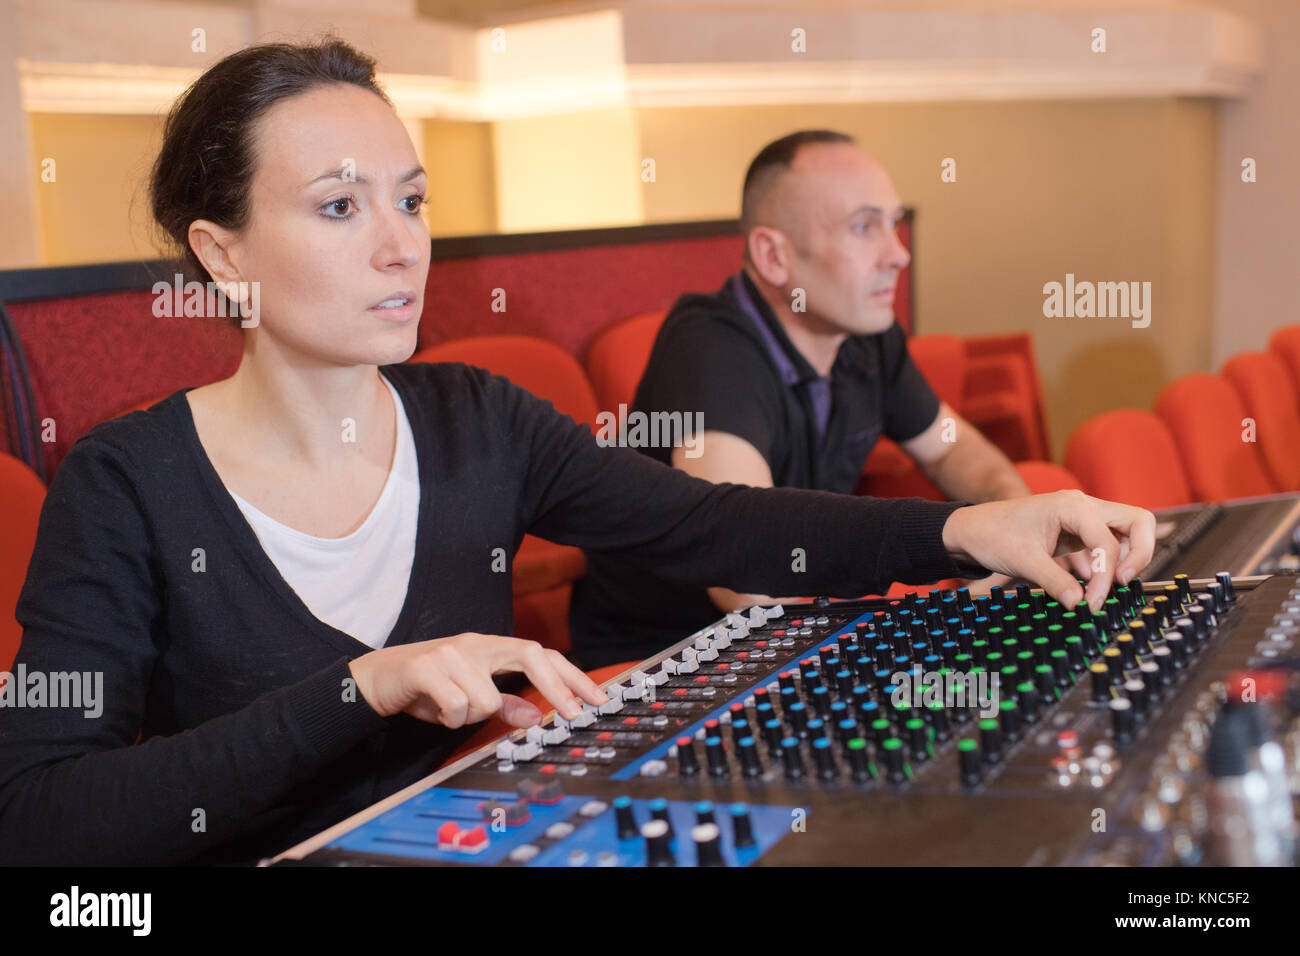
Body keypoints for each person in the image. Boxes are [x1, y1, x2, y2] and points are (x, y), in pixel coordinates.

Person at [0, 39, 1154, 866]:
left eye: (410, 199)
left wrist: (961, 527)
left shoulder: (478, 418)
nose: (403, 246)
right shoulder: (124, 482)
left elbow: (714, 525)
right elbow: (41, 816)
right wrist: (359, 686)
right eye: (342, 209)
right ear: (223, 250)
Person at [570, 130, 1036, 668]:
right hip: (671, 661)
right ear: (772, 256)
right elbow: (746, 581)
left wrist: (1009, 533)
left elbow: (952, 449)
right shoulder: (708, 349)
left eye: (893, 223)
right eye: (864, 227)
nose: (899, 254)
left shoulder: (864, 333)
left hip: (797, 636)